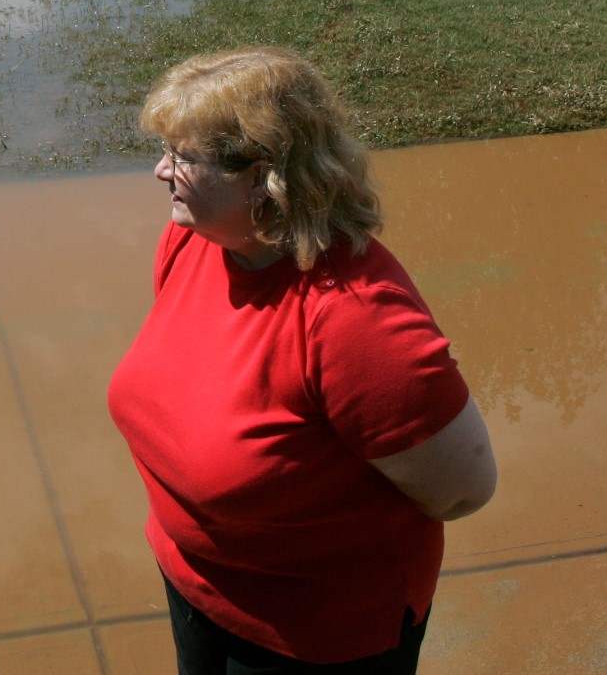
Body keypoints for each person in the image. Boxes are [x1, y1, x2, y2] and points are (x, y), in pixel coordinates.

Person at [108, 47, 497, 674]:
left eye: (184, 157)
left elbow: (462, 491)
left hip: (314, 638)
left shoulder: (356, 319)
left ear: (262, 176)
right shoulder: (194, 240)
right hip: (193, 588)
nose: (160, 170)